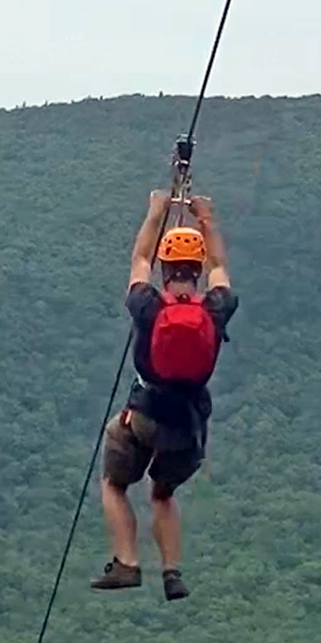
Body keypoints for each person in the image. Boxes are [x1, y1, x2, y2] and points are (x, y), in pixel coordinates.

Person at [92, 190, 238, 600]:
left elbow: (139, 260)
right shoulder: (215, 308)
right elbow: (221, 266)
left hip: (144, 415)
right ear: (196, 266)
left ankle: (127, 563)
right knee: (163, 492)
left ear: (166, 267)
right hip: (188, 425)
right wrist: (206, 218)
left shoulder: (147, 304)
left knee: (114, 482)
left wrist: (156, 212)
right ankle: (172, 573)